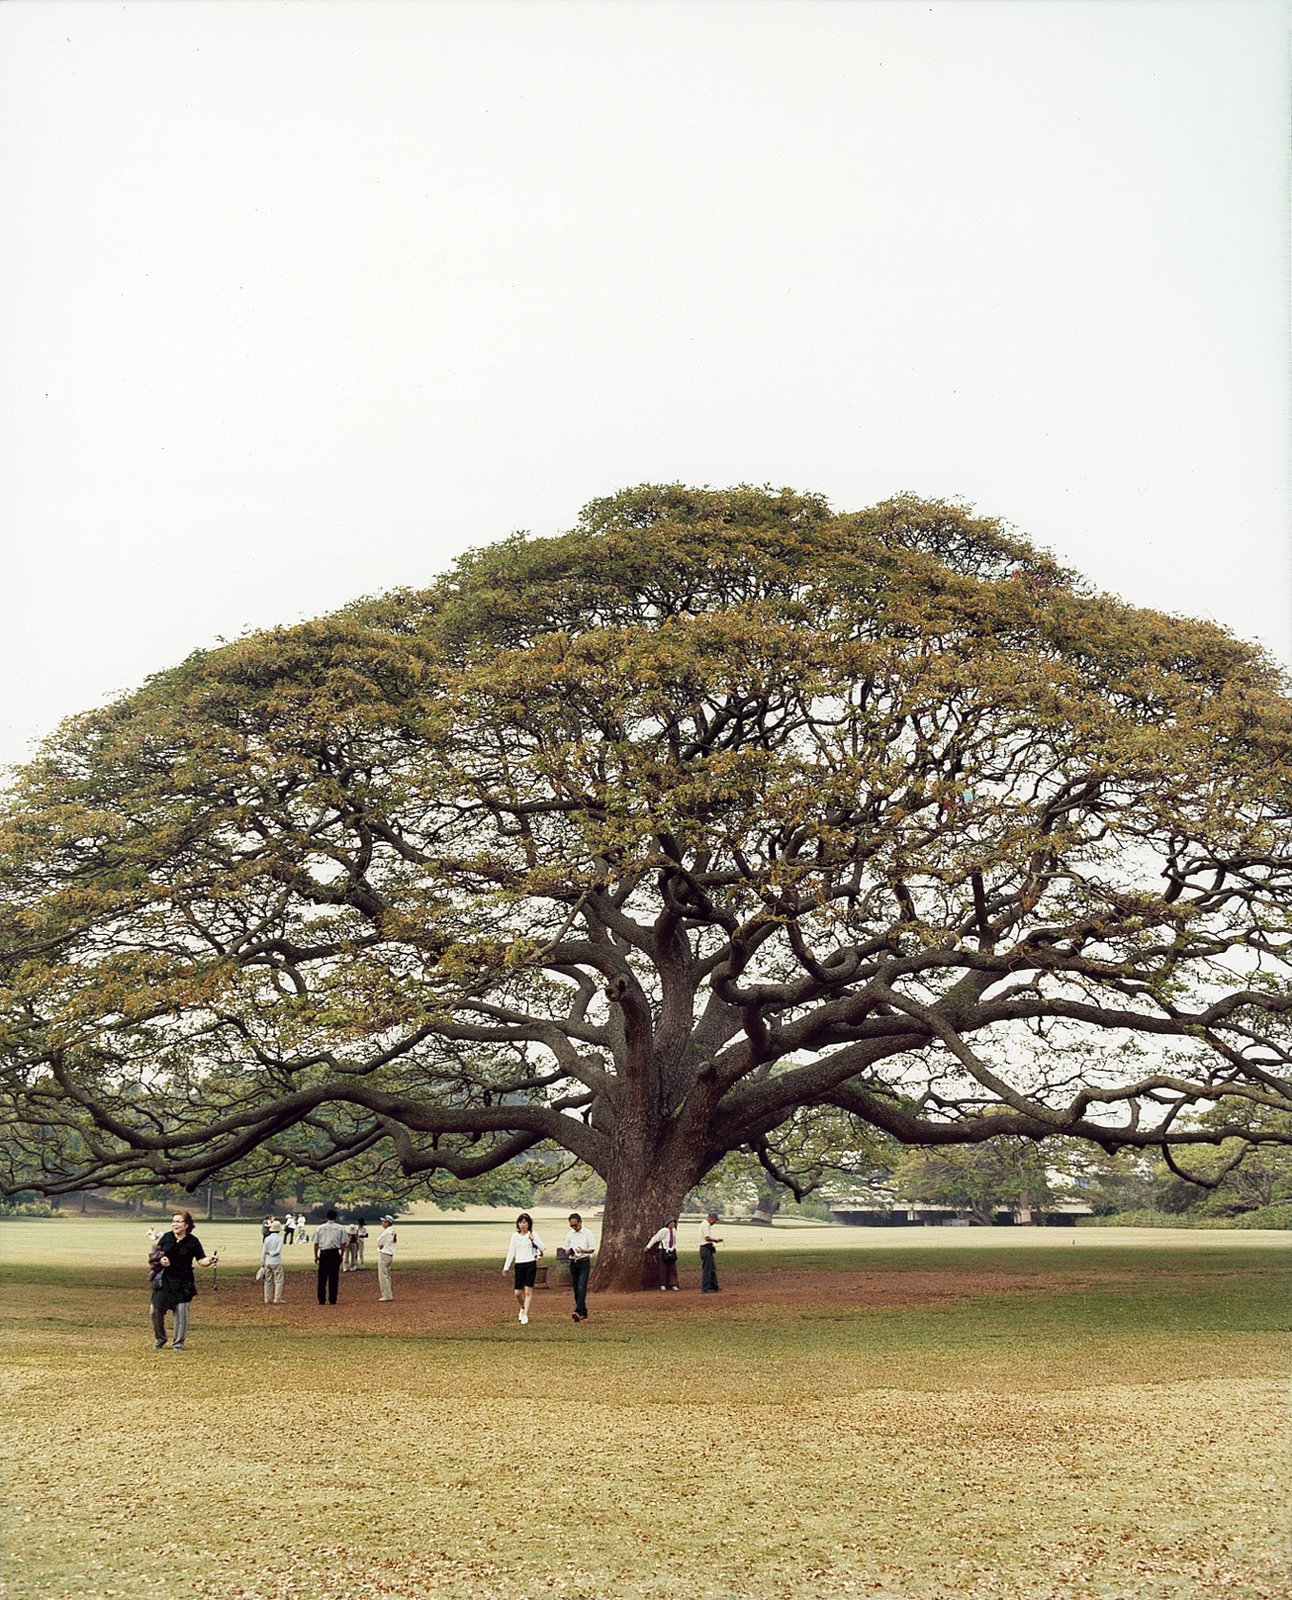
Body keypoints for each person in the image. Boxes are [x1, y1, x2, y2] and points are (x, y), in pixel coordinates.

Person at [150, 1209, 219, 1350]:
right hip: (164, 1279)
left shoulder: (193, 1242)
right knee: (155, 1310)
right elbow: (155, 1254)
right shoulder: (166, 1238)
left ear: (186, 1225)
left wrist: (210, 1260)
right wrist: (160, 1259)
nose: (175, 1224)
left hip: (183, 1281)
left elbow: (201, 1260)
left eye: (178, 1221)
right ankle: (160, 1338)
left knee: (181, 1314)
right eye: (173, 1221)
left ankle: (178, 1343)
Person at [501, 1212, 545, 1325]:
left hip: (530, 1263)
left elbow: (542, 1248)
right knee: (517, 1293)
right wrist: (506, 1267)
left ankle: (525, 1314)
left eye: (524, 1222)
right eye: (520, 1222)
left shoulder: (533, 1234)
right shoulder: (515, 1236)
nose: (522, 1225)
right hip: (519, 1264)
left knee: (528, 1291)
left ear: (529, 1223)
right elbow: (511, 1251)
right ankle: (522, 1307)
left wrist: (534, 1240)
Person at [563, 1212, 597, 1322]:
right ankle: (583, 1312)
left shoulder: (587, 1233)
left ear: (580, 1222)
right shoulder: (570, 1234)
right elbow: (566, 1249)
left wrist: (582, 1250)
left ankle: (577, 1310)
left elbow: (592, 1249)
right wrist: (569, 1251)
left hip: (584, 1262)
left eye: (575, 1225)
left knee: (582, 1287)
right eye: (571, 1225)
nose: (573, 1227)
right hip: (573, 1263)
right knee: (576, 1289)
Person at [313, 1209, 347, 1305]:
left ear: (326, 1217)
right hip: (334, 1252)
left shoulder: (320, 1228)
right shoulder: (340, 1228)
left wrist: (316, 1255)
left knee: (322, 1278)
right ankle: (332, 1299)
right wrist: (341, 1254)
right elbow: (343, 1243)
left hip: (324, 1253)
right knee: (334, 1277)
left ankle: (321, 1299)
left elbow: (316, 1243)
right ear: (335, 1217)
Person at [644, 1217, 681, 1290]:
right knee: (663, 1267)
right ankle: (663, 1284)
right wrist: (648, 1247)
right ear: (667, 1224)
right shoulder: (663, 1231)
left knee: (672, 1268)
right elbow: (655, 1238)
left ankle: (673, 1283)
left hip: (671, 1250)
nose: (672, 1224)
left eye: (673, 1222)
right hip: (663, 1250)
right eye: (671, 1222)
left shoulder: (674, 1230)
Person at [259, 1220, 285, 1304]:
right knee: (278, 1280)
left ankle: (267, 1298)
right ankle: (277, 1298)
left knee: (267, 1281)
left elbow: (263, 1251)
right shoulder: (279, 1239)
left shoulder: (267, 1239)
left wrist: (262, 1262)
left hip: (267, 1262)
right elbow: (277, 1251)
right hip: (276, 1261)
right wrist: (271, 1253)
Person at [699, 1211, 723, 1293]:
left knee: (712, 1268)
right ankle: (705, 1287)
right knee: (707, 1269)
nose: (715, 1222)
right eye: (715, 1220)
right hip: (705, 1247)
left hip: (708, 1247)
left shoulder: (707, 1225)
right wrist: (716, 1240)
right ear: (711, 1219)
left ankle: (713, 1286)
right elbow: (707, 1238)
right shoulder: (705, 1225)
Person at [375, 1215, 397, 1301]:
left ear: (388, 1222)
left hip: (385, 1253)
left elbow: (379, 1241)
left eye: (384, 1221)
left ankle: (386, 1295)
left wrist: (380, 1245)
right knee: (387, 1275)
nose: (382, 1223)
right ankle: (388, 1294)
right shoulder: (392, 1231)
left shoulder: (387, 1232)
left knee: (383, 1275)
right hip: (389, 1254)